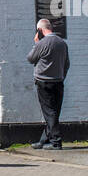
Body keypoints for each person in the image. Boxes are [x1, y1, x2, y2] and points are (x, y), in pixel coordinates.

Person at [27, 18, 70, 149]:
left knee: (49, 112)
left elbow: (30, 58)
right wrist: (62, 76)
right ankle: (44, 140)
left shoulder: (42, 43)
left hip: (44, 82)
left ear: (40, 30)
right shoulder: (62, 43)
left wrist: (36, 43)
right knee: (54, 112)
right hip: (58, 81)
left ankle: (56, 142)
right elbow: (67, 63)